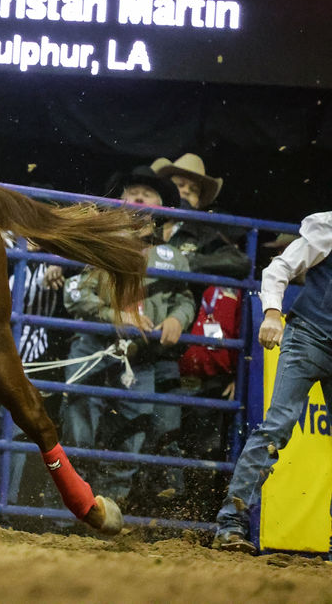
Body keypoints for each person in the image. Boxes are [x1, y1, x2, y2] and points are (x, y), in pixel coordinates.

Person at [61, 165, 194, 507]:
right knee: (78, 433)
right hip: (93, 348)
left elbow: (185, 298)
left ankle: (108, 509)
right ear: (119, 201)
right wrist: (114, 315)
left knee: (132, 434)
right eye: (132, 190)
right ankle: (69, 510)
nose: (137, 196)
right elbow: (74, 293)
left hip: (142, 358)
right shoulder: (97, 241)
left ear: (161, 208)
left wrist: (178, 318)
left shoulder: (173, 257)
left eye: (147, 193)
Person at [212, 210, 332, 553]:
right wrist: (272, 313)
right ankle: (231, 524)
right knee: (276, 427)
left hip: (311, 335)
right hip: (309, 336)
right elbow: (279, 267)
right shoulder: (330, 227)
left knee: (275, 428)